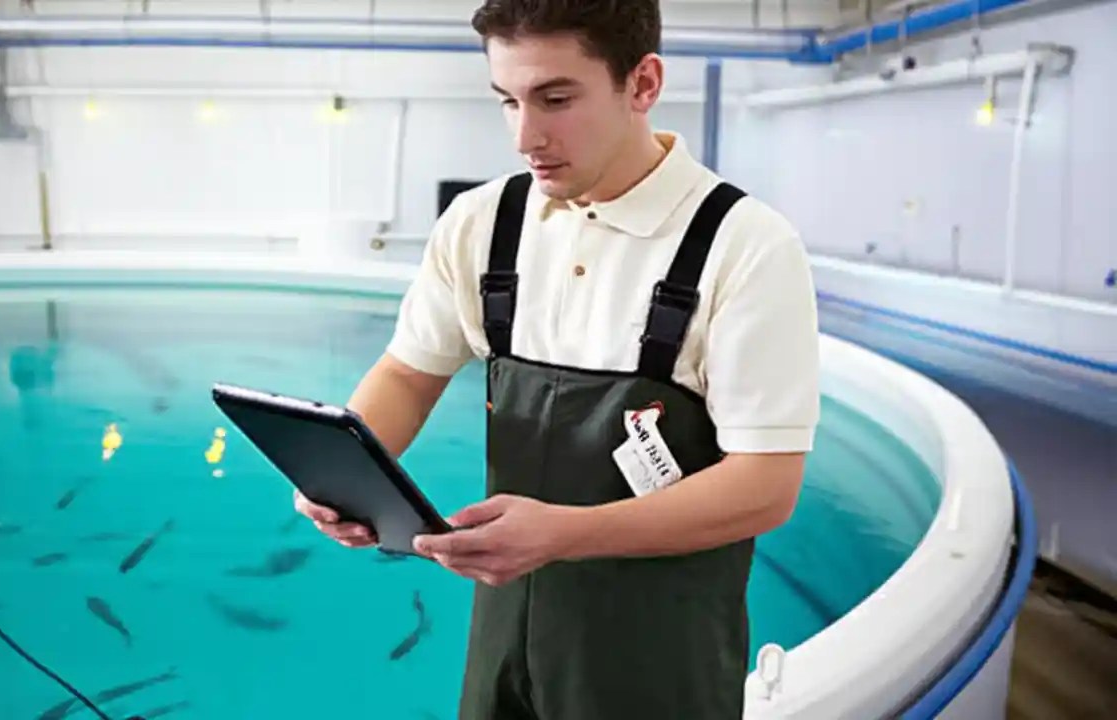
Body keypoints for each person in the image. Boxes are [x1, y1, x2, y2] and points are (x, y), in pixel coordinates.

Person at [293, 0, 820, 717]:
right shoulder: (482, 223)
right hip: (504, 628)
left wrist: (567, 534)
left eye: (556, 99)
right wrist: (348, 468)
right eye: (507, 101)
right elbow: (409, 374)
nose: (525, 135)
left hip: (659, 652)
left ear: (643, 84)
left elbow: (767, 485)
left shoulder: (746, 246)